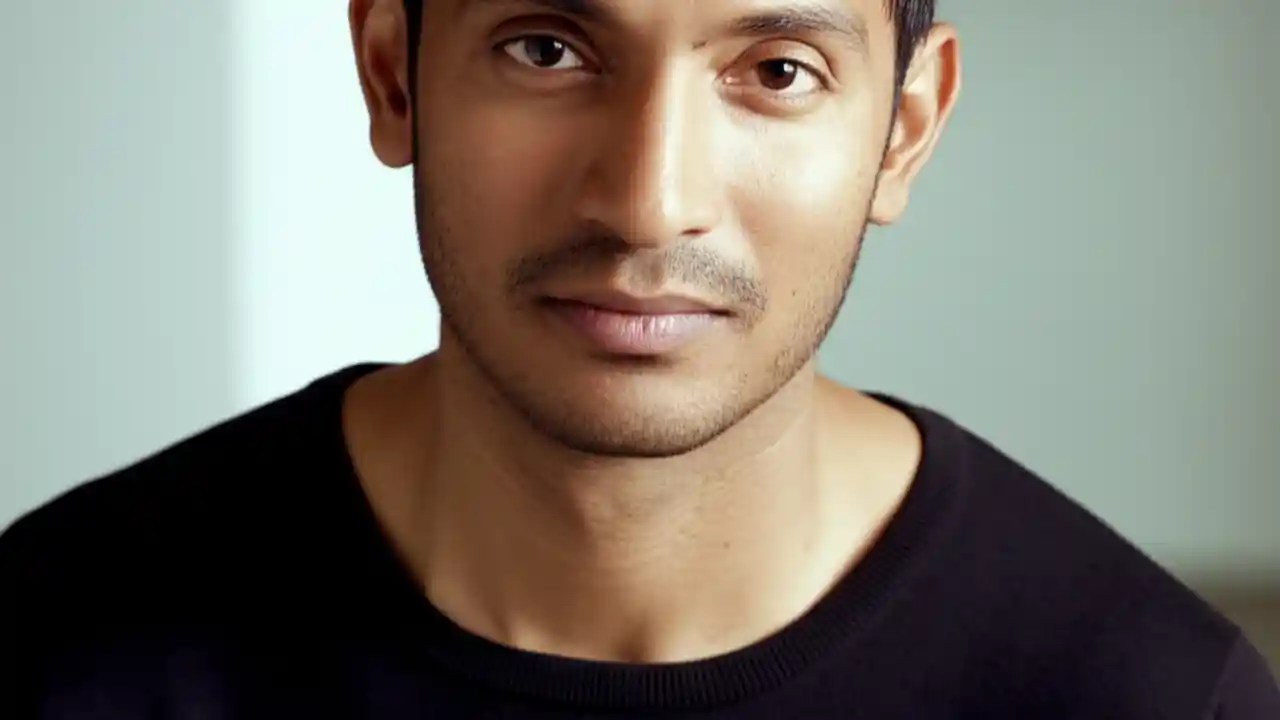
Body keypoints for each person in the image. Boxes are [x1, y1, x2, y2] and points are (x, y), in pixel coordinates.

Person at [2, 0, 1276, 716]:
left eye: (775, 71)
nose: (648, 202)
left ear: (902, 132)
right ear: (392, 76)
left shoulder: (1145, 695)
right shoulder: (57, 641)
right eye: (546, 49)